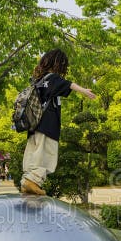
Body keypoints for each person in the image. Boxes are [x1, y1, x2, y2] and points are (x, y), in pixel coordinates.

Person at [20, 49, 96, 195]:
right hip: (47, 125)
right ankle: (33, 181)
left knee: (33, 153)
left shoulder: (37, 80)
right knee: (46, 154)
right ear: (58, 63)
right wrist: (84, 91)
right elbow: (68, 84)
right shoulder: (52, 78)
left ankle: (26, 182)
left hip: (33, 126)